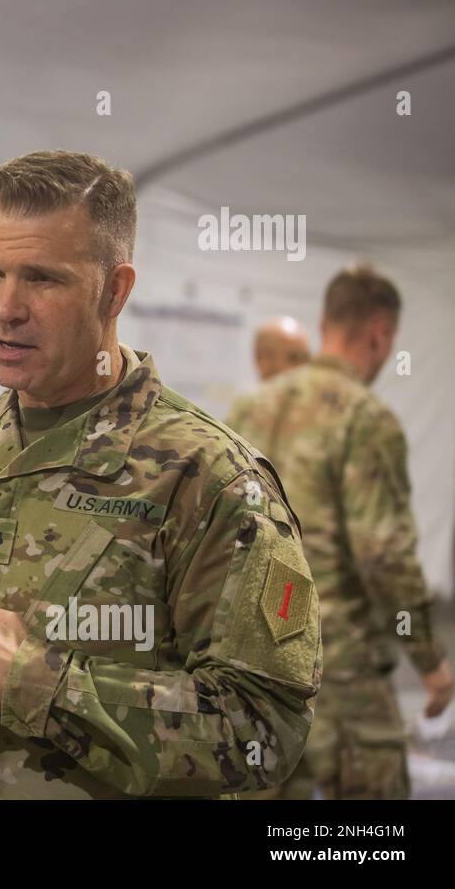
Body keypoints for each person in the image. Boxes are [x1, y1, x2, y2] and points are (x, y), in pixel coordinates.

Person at [0, 150, 321, 798]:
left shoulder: (206, 477)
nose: (5, 308)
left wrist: (32, 683)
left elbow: (265, 730)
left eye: (41, 278)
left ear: (115, 290)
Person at [227, 266, 451, 798]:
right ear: (380, 335)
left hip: (255, 660)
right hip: (340, 665)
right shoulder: (367, 418)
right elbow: (383, 556)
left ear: (325, 321)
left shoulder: (245, 410)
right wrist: (429, 659)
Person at [228, 317, 311, 427]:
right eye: (294, 358)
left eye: (306, 358)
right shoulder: (245, 411)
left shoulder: (314, 412)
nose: (304, 366)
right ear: (262, 358)